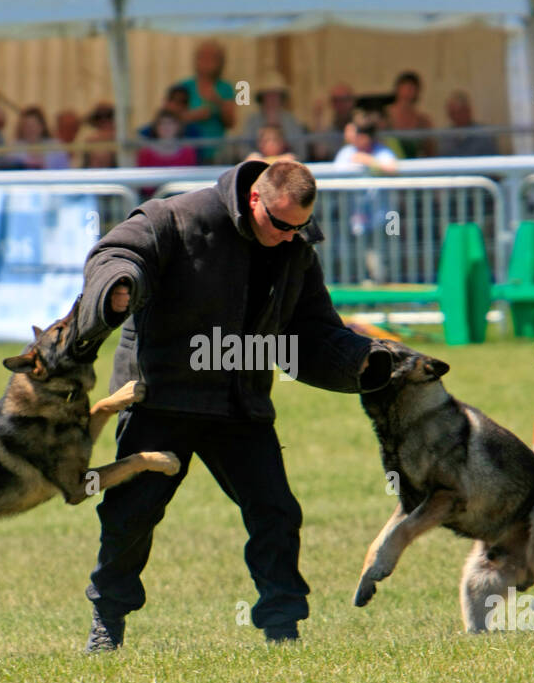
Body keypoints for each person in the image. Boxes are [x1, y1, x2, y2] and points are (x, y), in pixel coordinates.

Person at [71, 157, 390, 651]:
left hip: (239, 401)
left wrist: (362, 362)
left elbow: (313, 327)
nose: (289, 236)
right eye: (281, 224)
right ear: (255, 199)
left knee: (276, 512)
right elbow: (117, 250)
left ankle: (282, 628)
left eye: (299, 227)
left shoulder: (294, 245)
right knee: (130, 514)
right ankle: (107, 622)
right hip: (160, 396)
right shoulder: (178, 217)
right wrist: (119, 286)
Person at [178, 39, 237, 162]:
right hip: (189, 152)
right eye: (203, 57)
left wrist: (218, 102)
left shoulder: (226, 88)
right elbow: (171, 120)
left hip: (217, 153)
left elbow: (232, 123)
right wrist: (194, 116)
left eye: (212, 58)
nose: (207, 62)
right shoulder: (184, 86)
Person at [241, 72, 308, 161]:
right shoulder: (252, 121)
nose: (272, 99)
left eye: (275, 95)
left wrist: (289, 158)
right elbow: (243, 151)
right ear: (262, 98)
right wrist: (255, 158)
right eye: (268, 95)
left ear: (281, 97)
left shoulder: (290, 120)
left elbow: (301, 151)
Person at [387, 71, 435, 157]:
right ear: (398, 89)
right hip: (389, 166)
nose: (409, 91)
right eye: (406, 87)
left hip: (413, 167)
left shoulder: (423, 120)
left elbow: (431, 151)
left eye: (413, 88)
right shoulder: (385, 116)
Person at [332, 111, 400, 171]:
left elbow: (392, 168)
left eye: (354, 133)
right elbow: (336, 172)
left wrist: (368, 161)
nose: (349, 135)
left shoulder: (380, 150)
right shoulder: (347, 151)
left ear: (365, 136)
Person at [439, 91, 499, 157]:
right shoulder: (446, 138)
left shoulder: (484, 134)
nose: (455, 117)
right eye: (452, 113)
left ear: (468, 111)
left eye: (459, 112)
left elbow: (492, 162)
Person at [310, 81, 357, 161]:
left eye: (343, 100)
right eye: (335, 100)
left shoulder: (361, 125)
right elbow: (320, 154)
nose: (340, 104)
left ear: (352, 101)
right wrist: (318, 118)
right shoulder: (329, 130)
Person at [75, 103, 117, 169]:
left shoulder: (123, 140)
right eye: (98, 117)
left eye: (109, 115)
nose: (104, 120)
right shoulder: (90, 140)